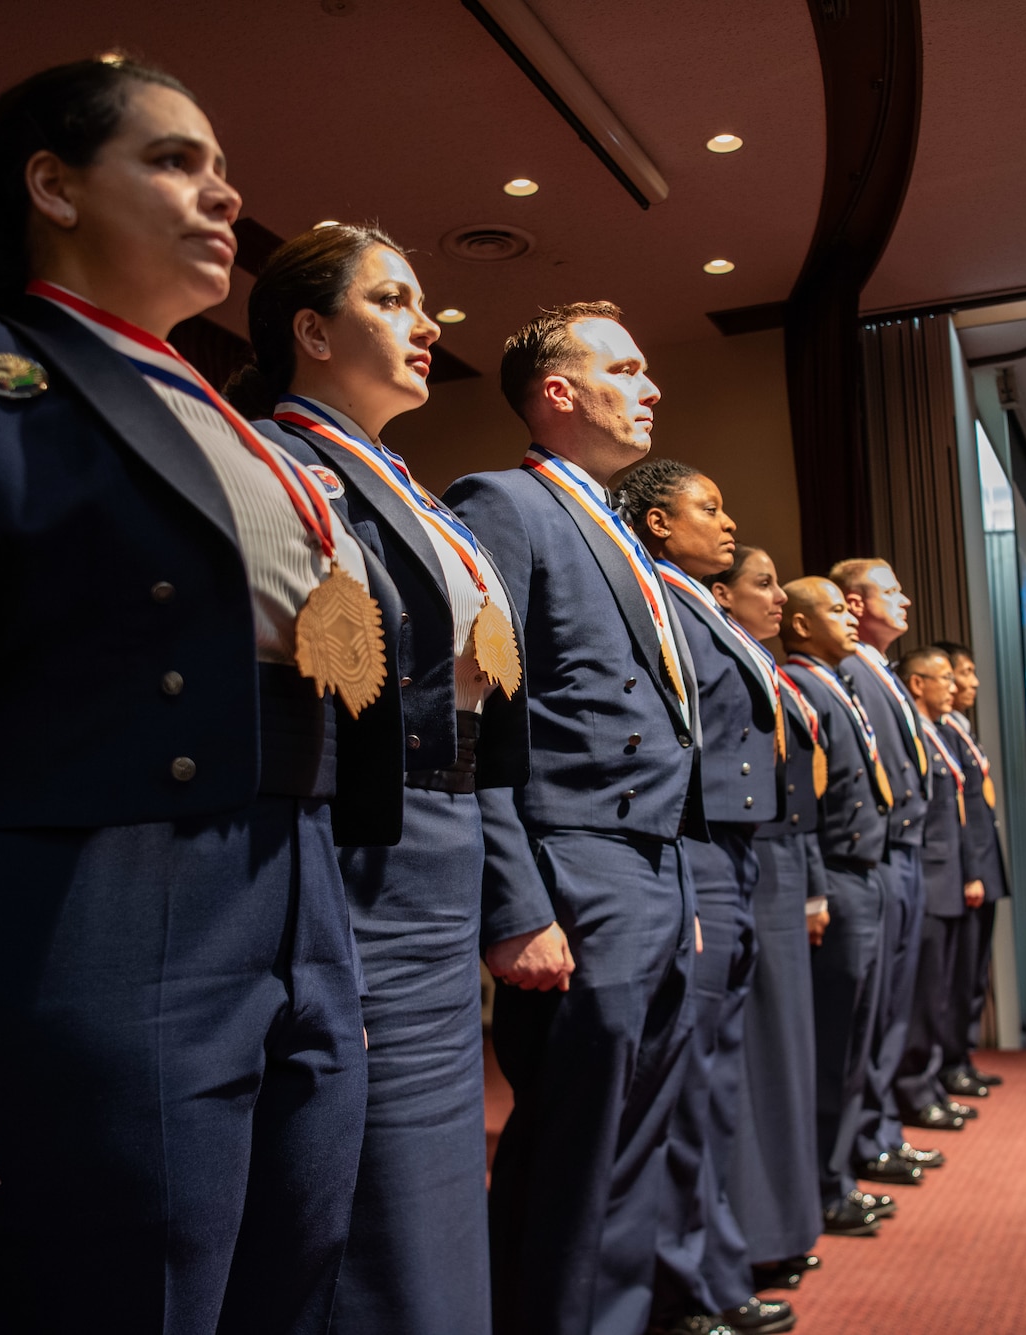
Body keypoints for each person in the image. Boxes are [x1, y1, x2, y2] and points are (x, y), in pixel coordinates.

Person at [0, 58, 406, 1333]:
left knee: (284, 1281)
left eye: (222, 170)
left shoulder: (229, 415)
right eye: (174, 161)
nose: (222, 196)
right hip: (91, 918)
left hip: (297, 893)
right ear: (50, 184)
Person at [229, 223, 530, 1335]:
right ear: (311, 332)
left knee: (437, 1171)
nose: (428, 323)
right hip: (355, 857)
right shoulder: (276, 466)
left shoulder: (407, 487)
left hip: (438, 857)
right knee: (368, 1183)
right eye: (393, 301)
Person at [445, 303, 706, 1335]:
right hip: (574, 870)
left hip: (648, 868)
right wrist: (511, 902)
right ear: (559, 391)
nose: (649, 389)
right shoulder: (504, 504)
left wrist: (676, 879)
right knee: (571, 1153)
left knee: (635, 1141)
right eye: (626, 369)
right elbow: (479, 711)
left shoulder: (608, 531)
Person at [617, 462, 793, 1335]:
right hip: (692, 846)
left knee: (714, 1085)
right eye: (708, 508)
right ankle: (681, 1289)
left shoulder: (697, 605)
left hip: (733, 847)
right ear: (655, 521)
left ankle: (714, 1270)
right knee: (687, 1090)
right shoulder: (658, 600)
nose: (728, 525)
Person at [714, 547, 826, 1300]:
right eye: (762, 583)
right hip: (744, 863)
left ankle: (784, 1223)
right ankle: (753, 1233)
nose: (777, 596)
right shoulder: (720, 650)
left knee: (785, 1060)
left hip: (781, 863)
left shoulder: (766, 667)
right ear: (721, 595)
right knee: (752, 1066)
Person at [779, 578, 897, 1241]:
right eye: (833, 608)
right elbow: (808, 804)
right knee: (835, 1044)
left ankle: (842, 1169)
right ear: (798, 625)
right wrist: (816, 888)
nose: (850, 617)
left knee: (858, 1038)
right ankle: (827, 1183)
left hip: (868, 870)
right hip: (839, 876)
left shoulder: (837, 683)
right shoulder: (801, 685)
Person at [827, 559, 944, 1174]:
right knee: (871, 1010)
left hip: (905, 853)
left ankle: (883, 1130)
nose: (905, 600)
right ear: (853, 602)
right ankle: (865, 1141)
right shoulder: (849, 668)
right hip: (880, 854)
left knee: (894, 1004)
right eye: (890, 591)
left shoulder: (887, 672)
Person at [891, 648, 986, 1131]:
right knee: (926, 997)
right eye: (942, 677)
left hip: (948, 877)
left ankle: (931, 1084)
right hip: (927, 879)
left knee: (944, 991)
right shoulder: (916, 734)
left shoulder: (944, 733)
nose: (953, 686)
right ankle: (916, 1089)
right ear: (915, 684)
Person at [932, 641, 1009, 1088]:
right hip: (965, 869)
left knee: (975, 972)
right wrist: (971, 871)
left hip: (983, 863)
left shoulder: (960, 728)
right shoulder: (939, 730)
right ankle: (949, 1064)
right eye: (963, 672)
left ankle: (962, 1057)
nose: (972, 682)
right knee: (957, 976)